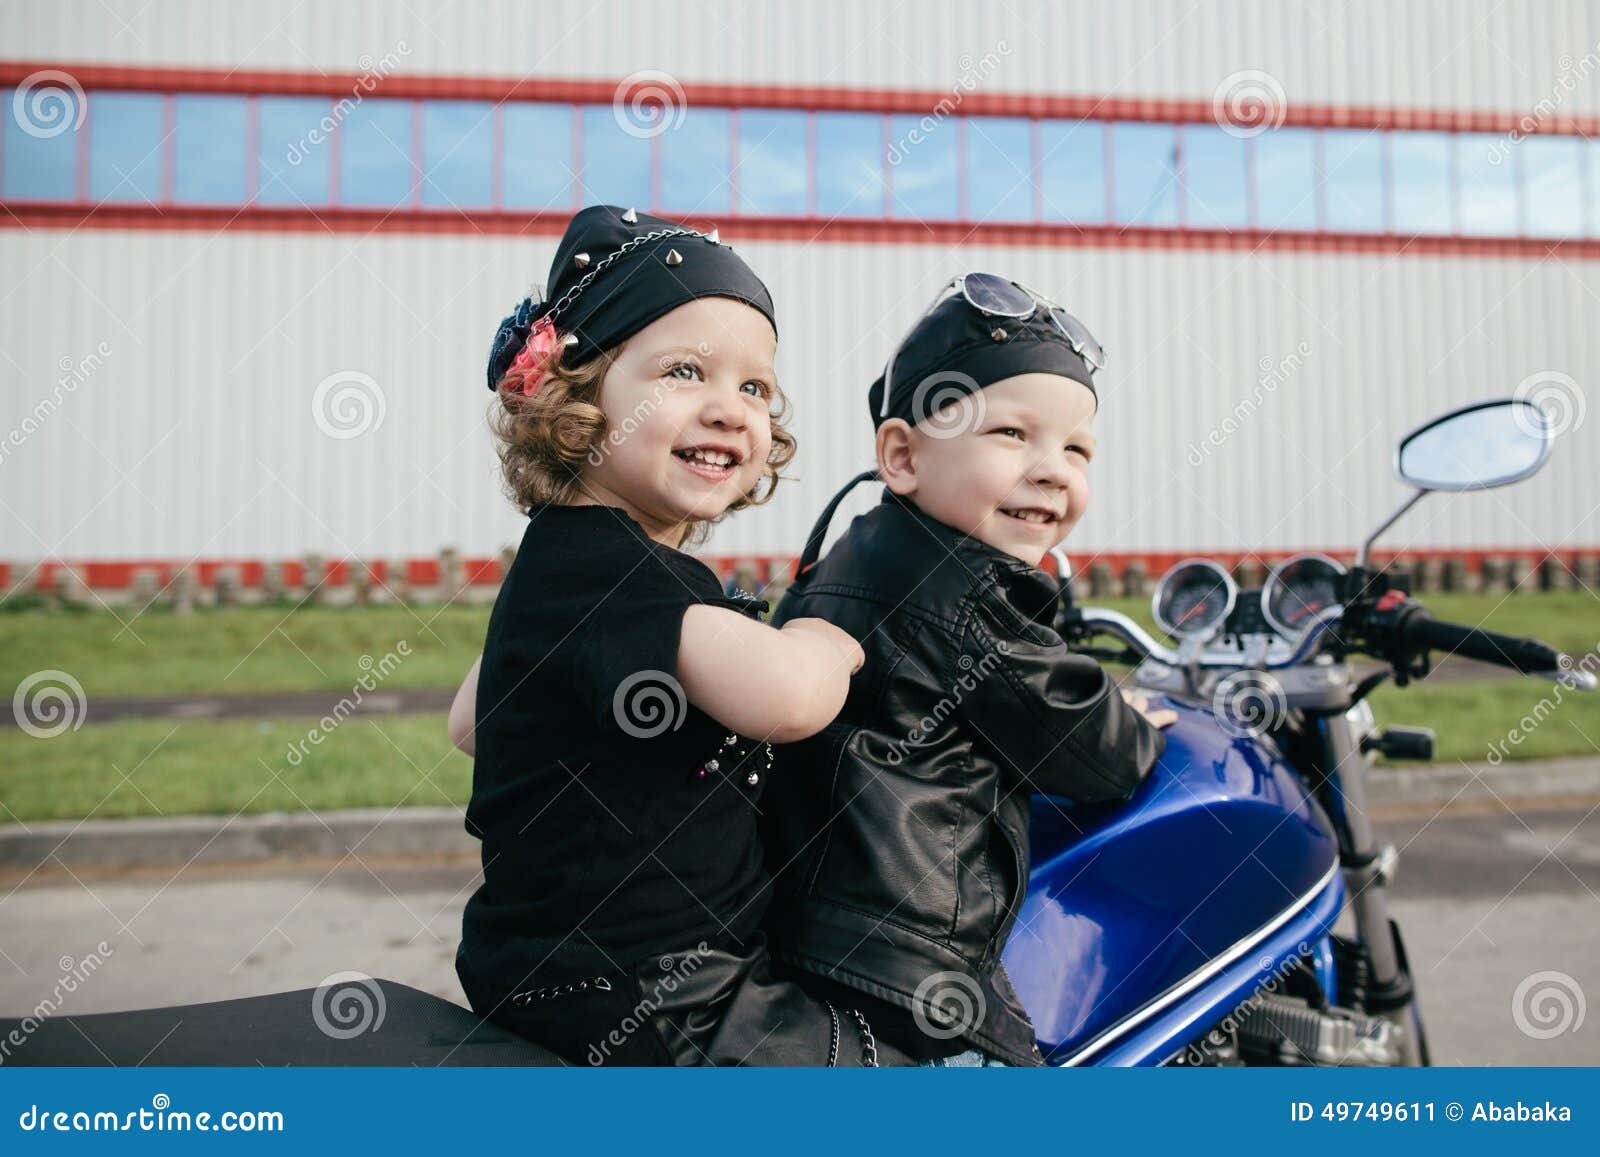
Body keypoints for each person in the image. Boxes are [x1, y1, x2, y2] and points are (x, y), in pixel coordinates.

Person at [450, 205, 903, 1066]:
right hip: (659, 992)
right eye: (687, 370)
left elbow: (472, 722)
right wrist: (830, 642)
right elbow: (788, 697)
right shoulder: (623, 579)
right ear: (577, 395)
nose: (731, 410)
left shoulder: (563, 562)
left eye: (755, 387)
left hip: (544, 970)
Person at [762, 273, 1176, 1067]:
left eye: (1077, 447)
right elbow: (1091, 747)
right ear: (903, 455)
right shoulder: (953, 593)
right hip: (907, 970)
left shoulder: (863, 555)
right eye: (1014, 435)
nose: (1054, 468)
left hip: (820, 930)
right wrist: (1132, 716)